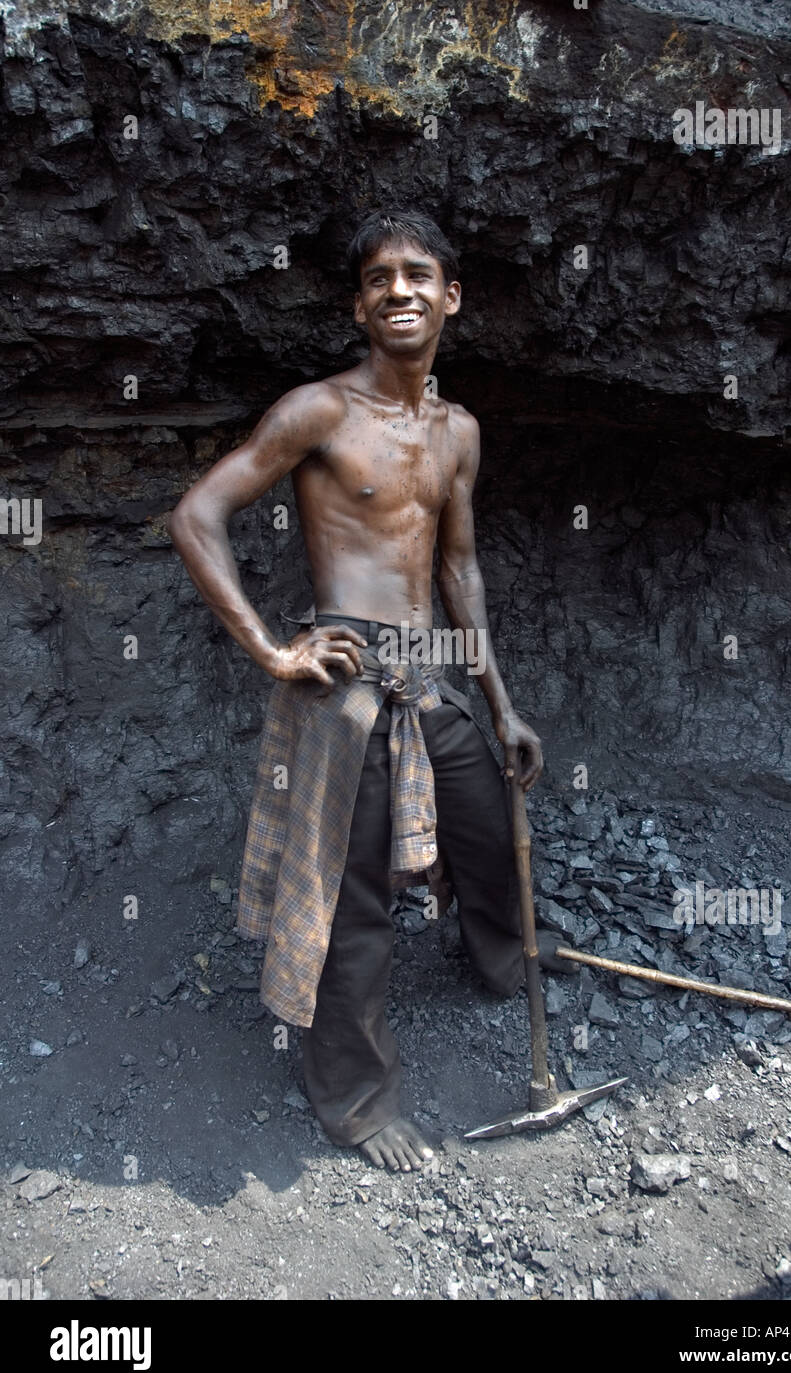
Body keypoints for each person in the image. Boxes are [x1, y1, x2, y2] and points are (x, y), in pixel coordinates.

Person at [167, 209, 576, 1173]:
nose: (401, 290)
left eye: (419, 275)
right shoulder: (319, 411)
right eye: (380, 278)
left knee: (483, 816)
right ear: (359, 304)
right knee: (353, 895)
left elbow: (460, 570)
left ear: (451, 297)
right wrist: (273, 650)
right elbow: (196, 515)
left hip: (427, 677)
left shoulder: (457, 431)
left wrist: (501, 702)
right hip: (347, 687)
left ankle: (503, 959)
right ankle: (354, 1098)